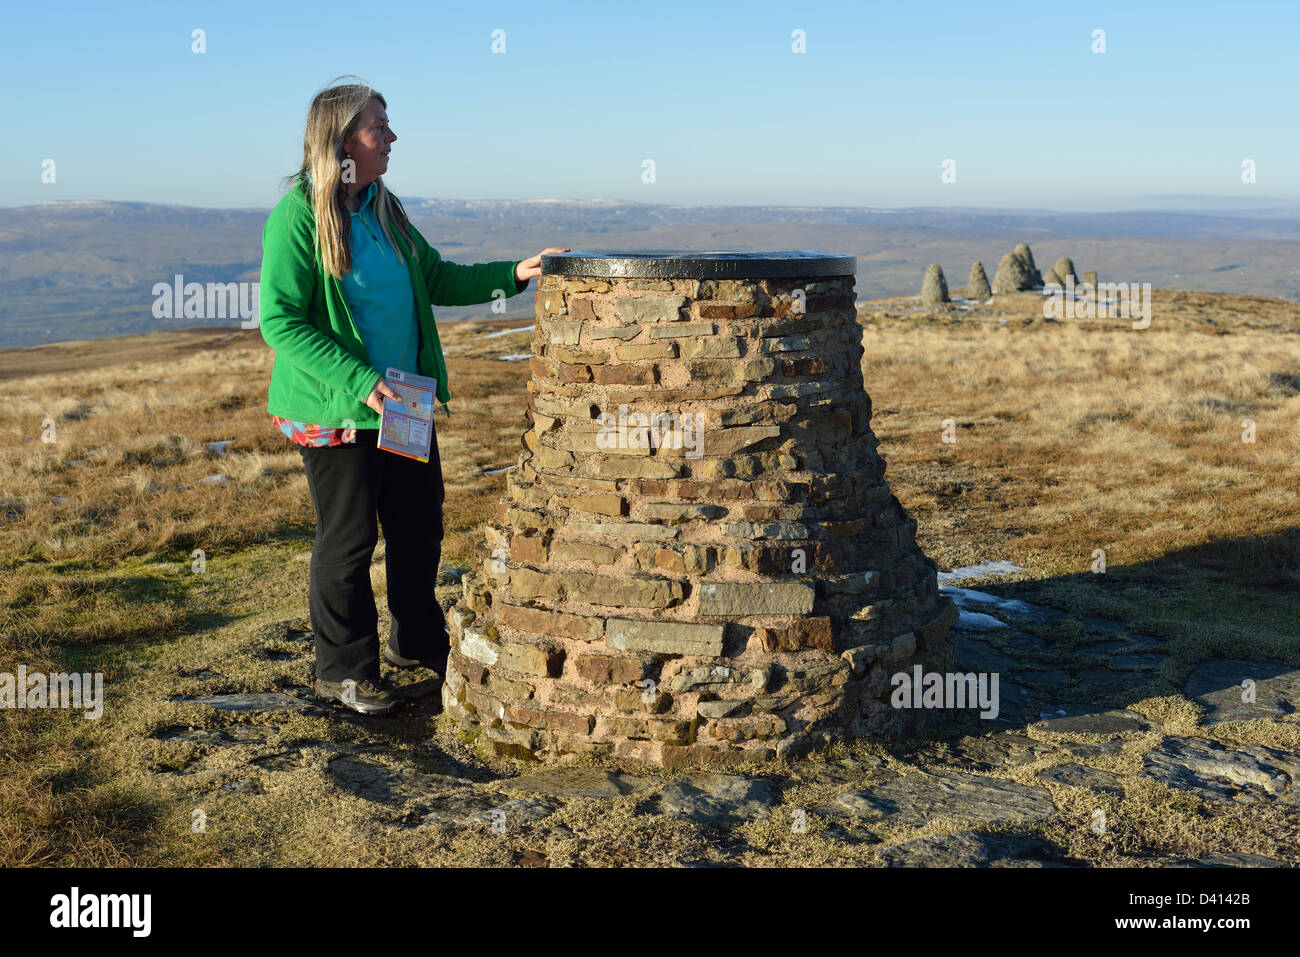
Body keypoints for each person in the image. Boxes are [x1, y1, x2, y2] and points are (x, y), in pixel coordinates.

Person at [258, 76, 568, 715]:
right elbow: (281, 321)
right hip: (341, 407)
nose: (392, 137)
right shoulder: (298, 215)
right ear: (344, 141)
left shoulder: (383, 206)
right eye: (379, 127)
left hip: (404, 399)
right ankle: (344, 670)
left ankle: (416, 639)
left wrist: (515, 273)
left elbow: (437, 277)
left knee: (419, 526)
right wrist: (359, 381)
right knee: (347, 540)